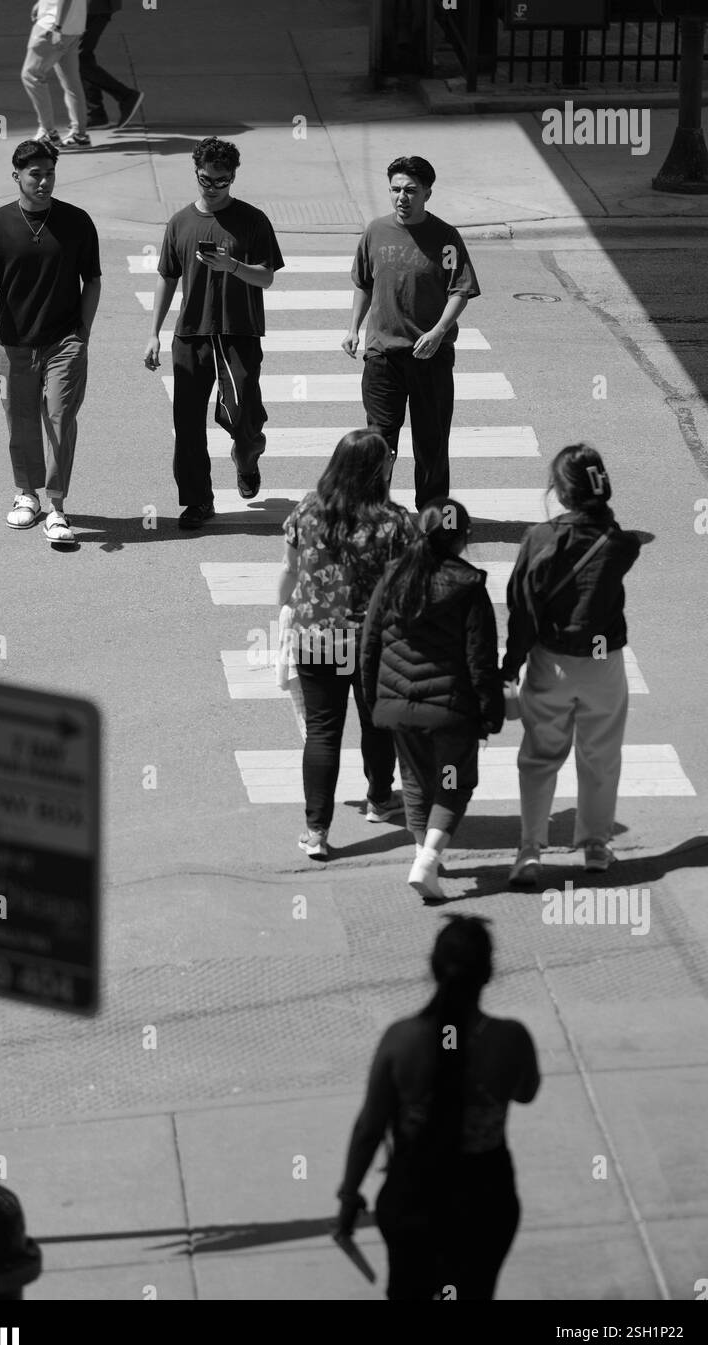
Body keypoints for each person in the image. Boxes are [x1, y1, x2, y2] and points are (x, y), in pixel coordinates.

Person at [335, 915, 540, 1302]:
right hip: (484, 1200)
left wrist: (349, 1198)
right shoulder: (510, 1039)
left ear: (433, 966)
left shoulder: (402, 1040)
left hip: (413, 1195)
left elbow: (369, 1129)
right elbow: (526, 1093)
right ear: (488, 972)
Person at [500, 444, 643, 886]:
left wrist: (512, 664)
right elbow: (612, 531)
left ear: (559, 491)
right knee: (600, 758)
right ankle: (596, 847)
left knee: (540, 758)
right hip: (603, 664)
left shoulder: (540, 540)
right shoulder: (619, 542)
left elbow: (521, 609)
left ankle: (530, 850)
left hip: (551, 662)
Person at [277, 430, 416, 859]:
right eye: (389, 457)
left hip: (317, 638)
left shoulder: (308, 510)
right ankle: (379, 797)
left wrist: (286, 610)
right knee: (377, 722)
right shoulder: (395, 521)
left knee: (323, 732)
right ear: (379, 469)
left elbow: (289, 570)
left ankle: (316, 831)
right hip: (373, 641)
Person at [361, 499, 503, 900]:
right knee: (454, 783)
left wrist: (375, 701)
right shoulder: (470, 585)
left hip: (397, 707)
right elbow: (480, 659)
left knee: (417, 785)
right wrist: (490, 714)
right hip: (451, 712)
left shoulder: (392, 577)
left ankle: (426, 859)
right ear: (462, 539)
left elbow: (369, 645)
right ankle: (427, 860)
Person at [143, 137, 285, 530]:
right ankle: (197, 502)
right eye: (206, 179)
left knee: (245, 418)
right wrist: (154, 333)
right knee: (187, 425)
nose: (213, 187)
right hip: (191, 335)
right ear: (197, 173)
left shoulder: (253, 220)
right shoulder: (180, 222)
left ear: (233, 177)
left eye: (221, 181)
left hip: (239, 333)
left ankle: (247, 455)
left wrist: (232, 265)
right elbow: (167, 277)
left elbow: (267, 277)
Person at [0, 138, 101, 545]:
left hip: (65, 341)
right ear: (17, 177)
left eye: (50, 174)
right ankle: (27, 494)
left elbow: (91, 279)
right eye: (35, 174)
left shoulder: (77, 222)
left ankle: (57, 507)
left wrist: (84, 332)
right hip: (12, 344)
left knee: (60, 418)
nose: (44, 182)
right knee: (20, 422)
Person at [343, 155, 480, 511]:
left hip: (430, 357)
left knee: (431, 443)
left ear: (427, 194)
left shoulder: (445, 238)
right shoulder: (375, 231)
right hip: (382, 356)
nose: (401, 197)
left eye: (410, 190)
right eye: (395, 189)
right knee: (379, 442)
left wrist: (437, 332)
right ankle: (375, 514)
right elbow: (364, 282)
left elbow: (460, 290)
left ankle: (433, 517)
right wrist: (353, 328)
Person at [22, 0, 92, 152]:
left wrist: (57, 27)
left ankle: (48, 133)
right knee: (71, 80)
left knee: (31, 75)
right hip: (74, 27)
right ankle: (80, 135)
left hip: (52, 26)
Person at [79, 0, 144, 131]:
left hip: (92, 7)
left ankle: (125, 96)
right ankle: (96, 114)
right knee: (82, 57)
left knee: (77, 58)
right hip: (90, 7)